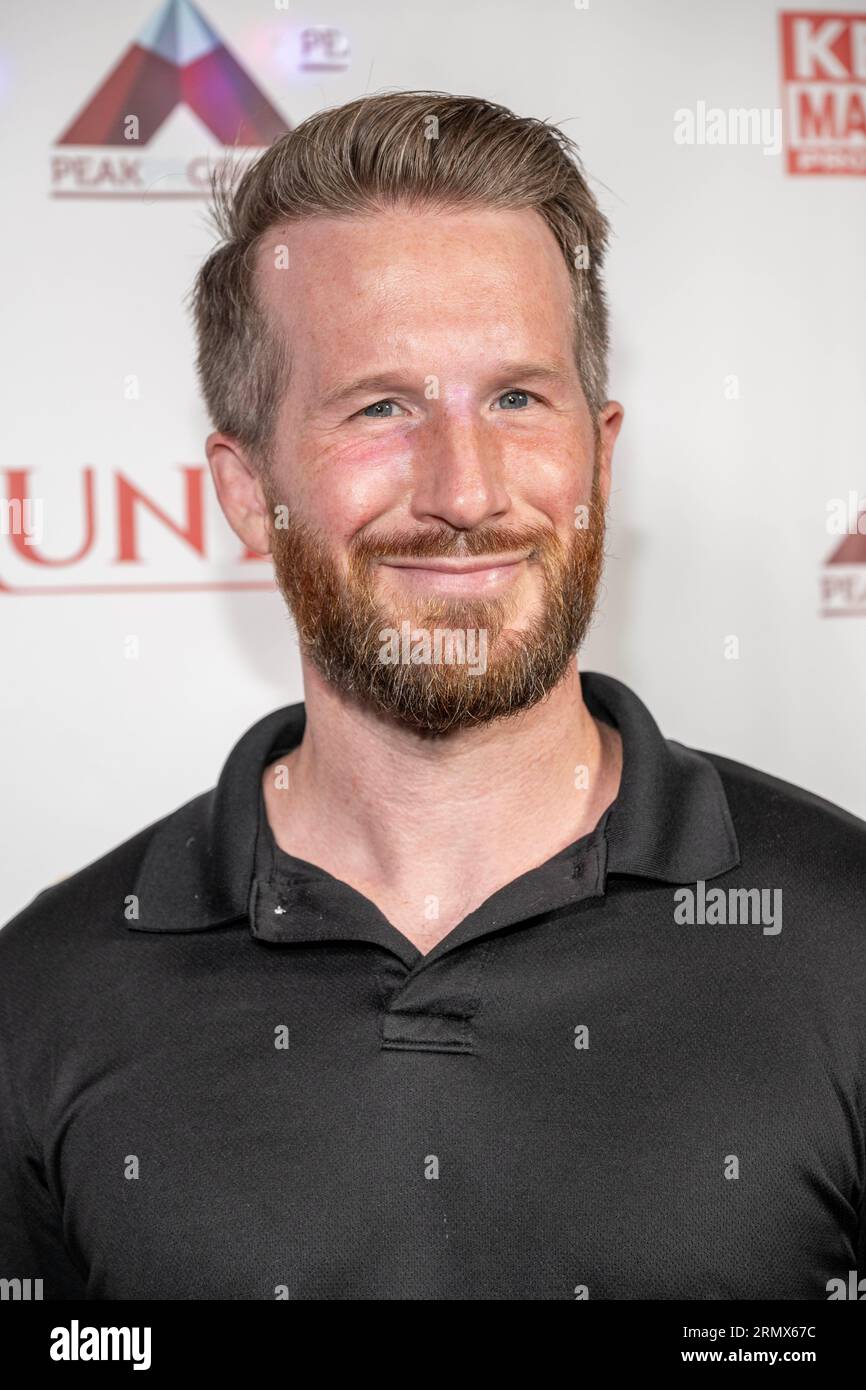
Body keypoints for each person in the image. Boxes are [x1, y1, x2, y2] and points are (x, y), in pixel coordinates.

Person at [1, 91, 864, 1302]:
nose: (463, 490)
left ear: (600, 453)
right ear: (246, 489)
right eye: (380, 407)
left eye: (516, 398)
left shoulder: (845, 940)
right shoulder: (43, 995)